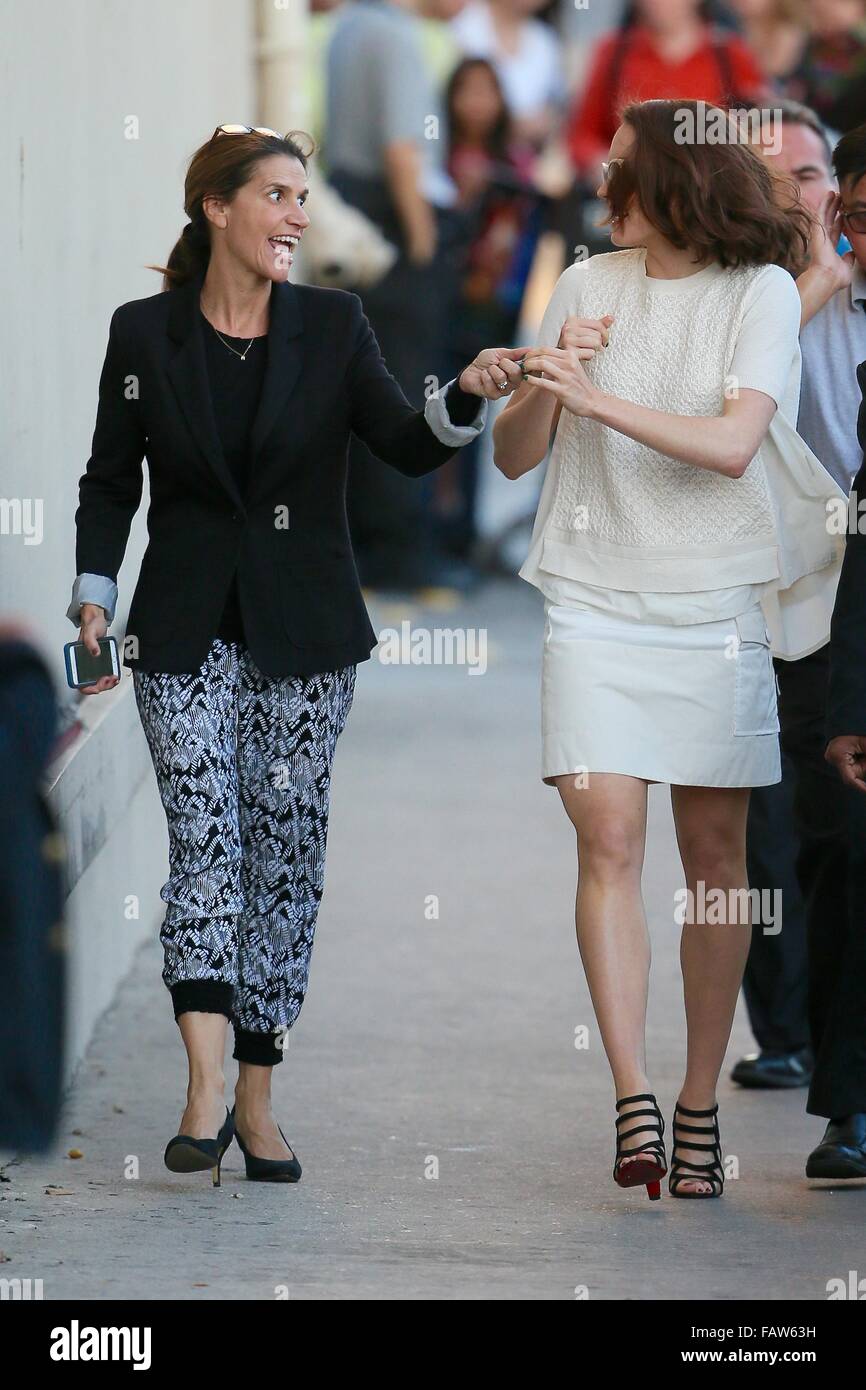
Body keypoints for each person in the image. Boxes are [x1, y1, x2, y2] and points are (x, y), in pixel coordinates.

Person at [65, 125, 526, 1187]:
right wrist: (93, 599)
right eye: (277, 196)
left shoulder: (332, 324)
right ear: (216, 209)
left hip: (306, 636)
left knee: (284, 856)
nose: (297, 217)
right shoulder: (143, 334)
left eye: (302, 198)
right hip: (179, 628)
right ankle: (201, 1085)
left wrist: (466, 390)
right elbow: (107, 482)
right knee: (205, 840)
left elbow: (403, 446)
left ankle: (259, 1096)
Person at [494, 98, 843, 1200]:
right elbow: (512, 462)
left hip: (712, 604)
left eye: (618, 176)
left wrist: (600, 397)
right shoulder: (586, 286)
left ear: (672, 185)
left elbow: (735, 446)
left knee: (712, 865)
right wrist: (547, 377)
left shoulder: (761, 295)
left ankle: (698, 1098)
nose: (600, 196)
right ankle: (632, 1094)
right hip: (591, 594)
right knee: (604, 838)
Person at [732, 98, 850, 1091]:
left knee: (834, 817)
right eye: (770, 181)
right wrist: (810, 279)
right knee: (766, 814)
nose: (794, 196)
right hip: (771, 580)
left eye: (807, 176)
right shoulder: (743, 296)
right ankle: (784, 1035)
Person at [565, 0, 767, 184]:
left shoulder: (730, 55)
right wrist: (607, 165)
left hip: (709, 196)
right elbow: (582, 135)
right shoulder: (613, 53)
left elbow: (760, 132)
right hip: (634, 191)